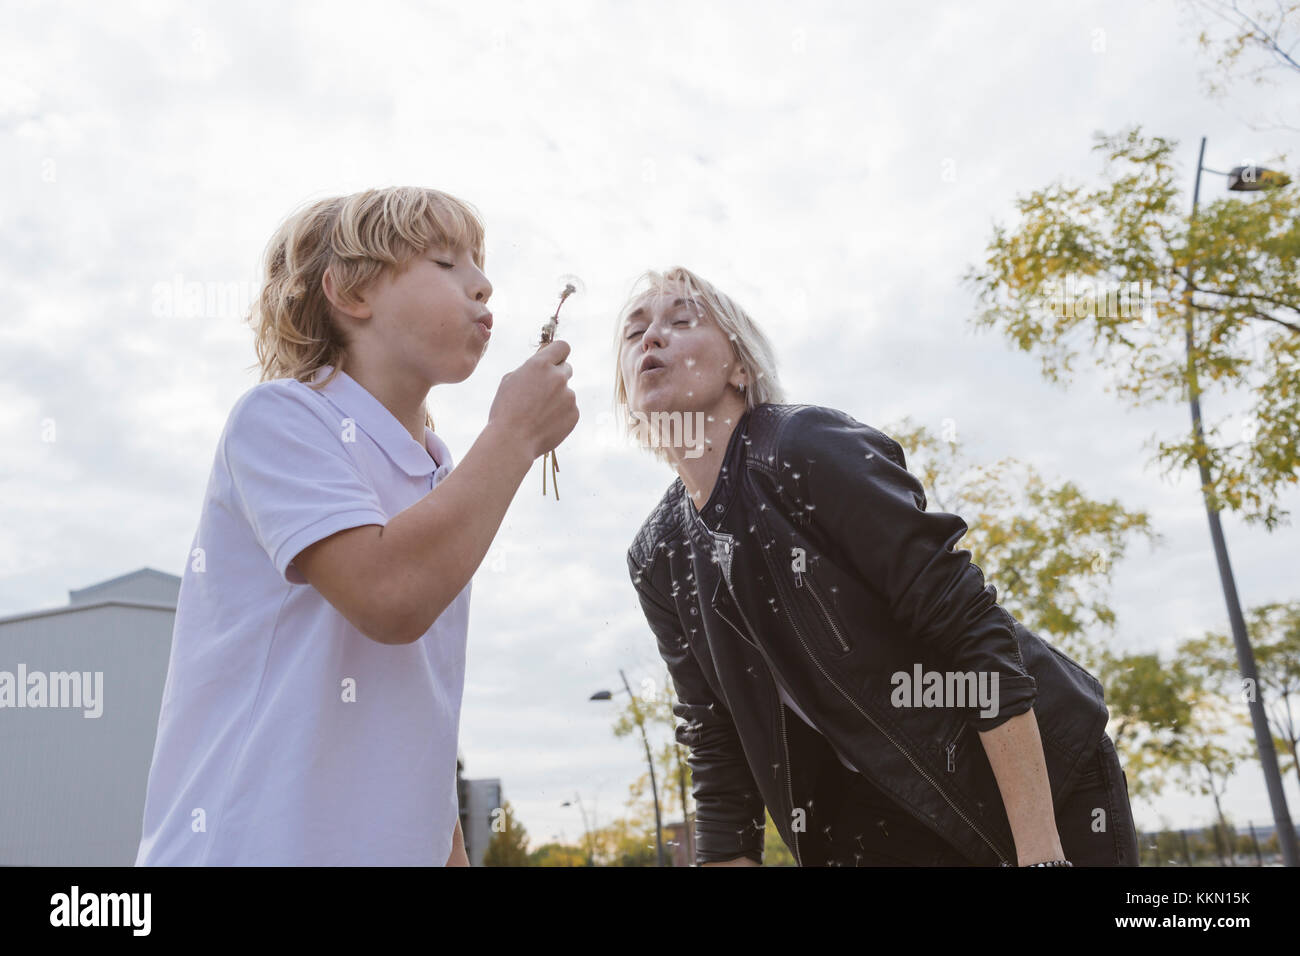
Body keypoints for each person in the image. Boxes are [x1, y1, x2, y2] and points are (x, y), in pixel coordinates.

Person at [617, 265, 1139, 867]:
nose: (652, 338)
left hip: (1041, 789)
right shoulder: (658, 557)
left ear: (741, 366)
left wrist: (1041, 857)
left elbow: (972, 632)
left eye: (681, 321)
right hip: (881, 827)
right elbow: (716, 747)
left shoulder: (803, 448)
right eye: (634, 334)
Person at [135, 186, 577, 865]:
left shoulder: (443, 473)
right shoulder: (280, 419)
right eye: (445, 262)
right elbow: (388, 596)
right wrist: (514, 435)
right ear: (351, 294)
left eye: (479, 266)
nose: (484, 285)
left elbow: (414, 711)